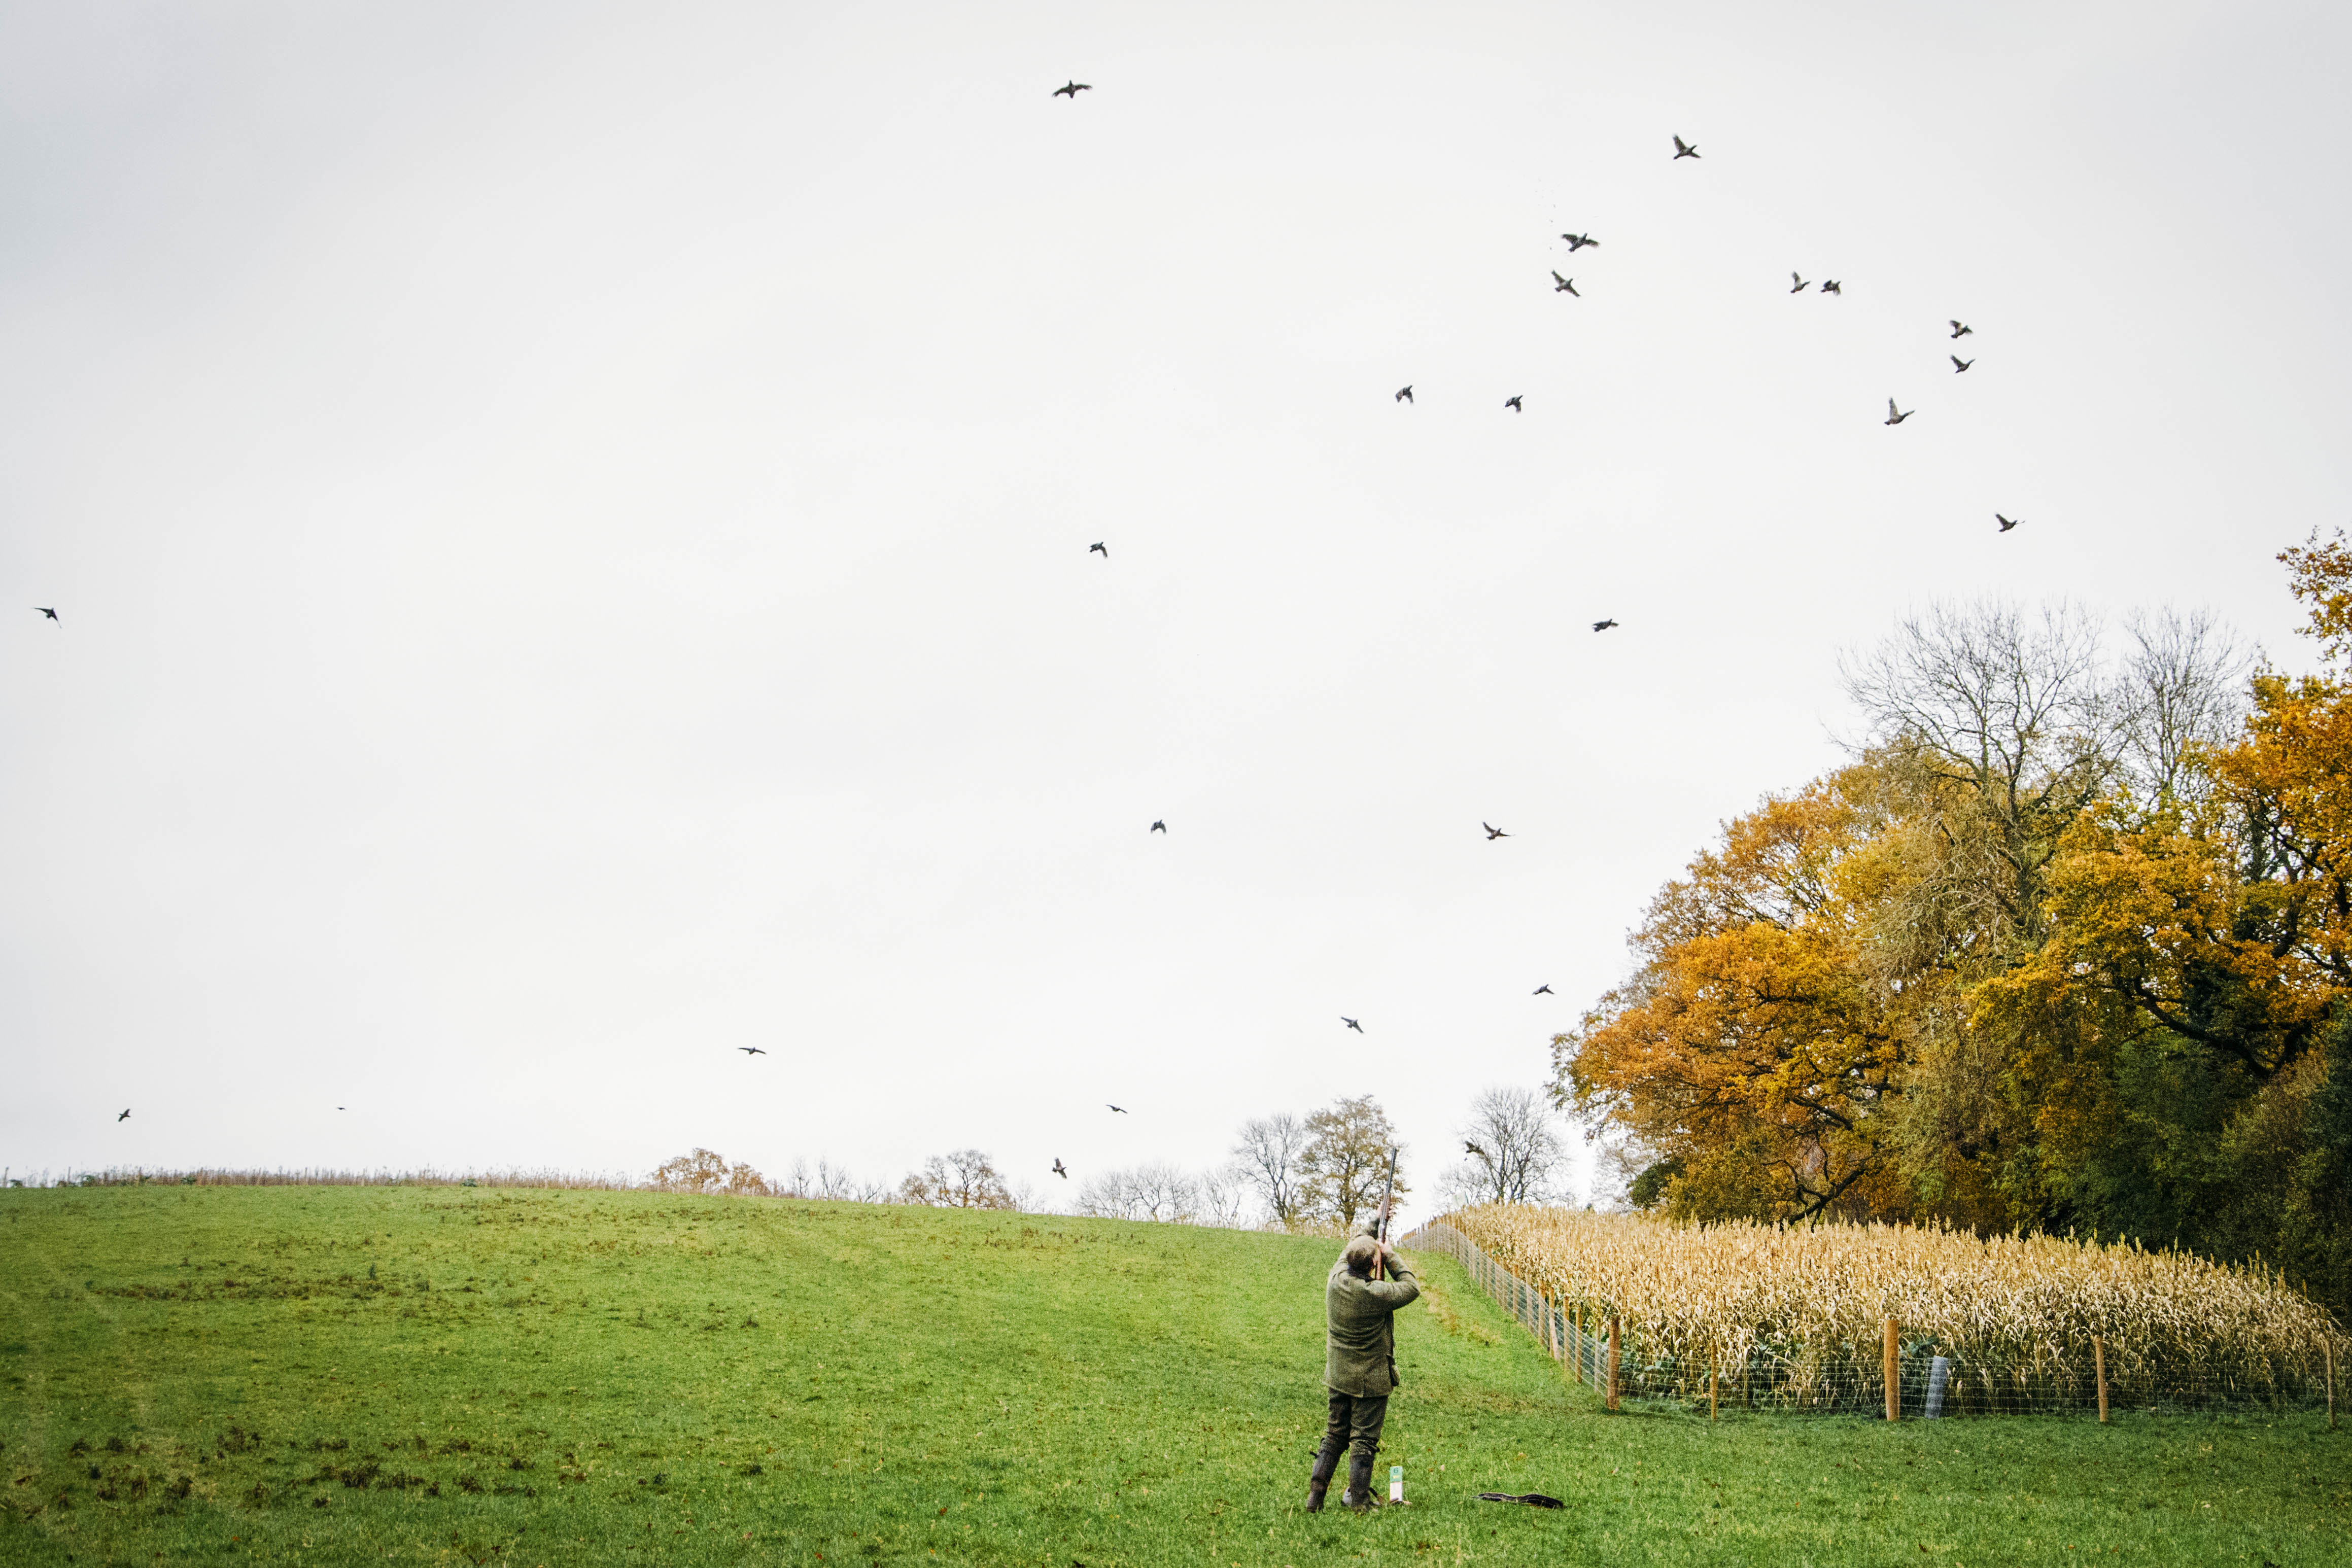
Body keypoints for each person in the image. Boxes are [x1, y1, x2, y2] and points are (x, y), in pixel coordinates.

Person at [1307, 1228, 1419, 1512]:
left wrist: (1374, 1226)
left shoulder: (1336, 1278)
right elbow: (1411, 1286)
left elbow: (1350, 1249)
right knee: (1364, 1441)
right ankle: (1359, 1503)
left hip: (1338, 1375)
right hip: (1370, 1378)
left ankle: (1315, 1499)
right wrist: (1390, 1255)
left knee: (1334, 1436)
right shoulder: (1375, 1293)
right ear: (1373, 1264)